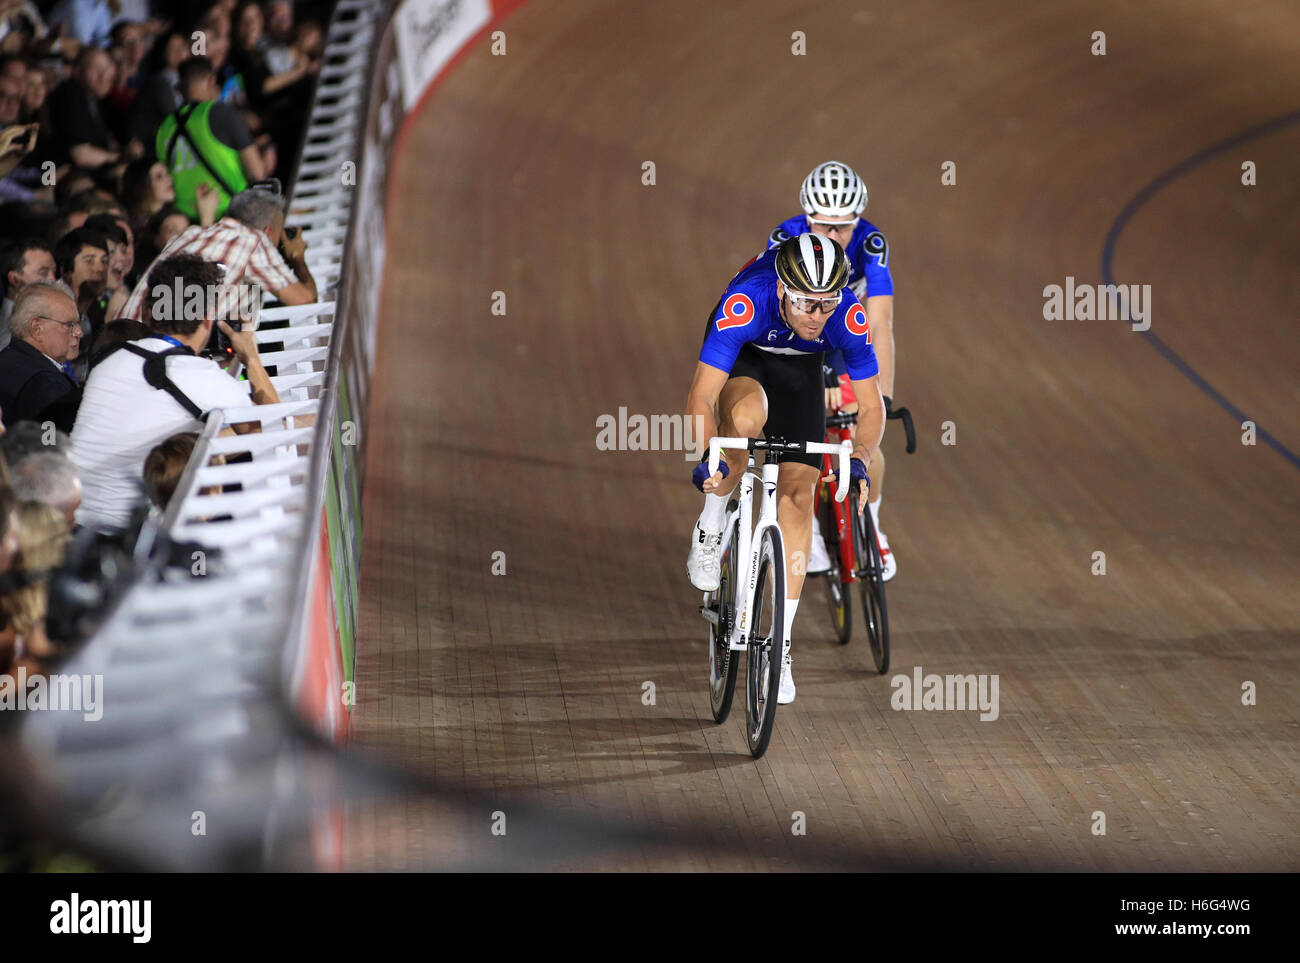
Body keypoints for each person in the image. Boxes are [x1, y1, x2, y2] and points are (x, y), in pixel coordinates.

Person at [685, 233, 885, 703]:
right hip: (749, 362)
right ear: (781, 290)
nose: (817, 316)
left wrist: (859, 459)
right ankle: (712, 524)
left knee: (798, 502)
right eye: (806, 305)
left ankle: (780, 645)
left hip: (802, 378)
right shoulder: (746, 302)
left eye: (826, 305)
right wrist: (709, 456)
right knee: (743, 427)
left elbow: (871, 409)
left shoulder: (845, 317)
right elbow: (701, 395)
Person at [69, 252, 281, 531]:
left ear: (148, 313)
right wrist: (251, 357)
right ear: (207, 321)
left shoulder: (112, 357)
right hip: (125, 536)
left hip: (73, 522)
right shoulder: (200, 376)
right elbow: (272, 430)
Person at [769, 161, 898, 580]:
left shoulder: (871, 243)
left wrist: (883, 396)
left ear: (857, 221)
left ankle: (871, 524)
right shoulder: (784, 240)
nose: (833, 237)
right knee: (799, 436)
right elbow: (781, 316)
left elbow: (880, 322)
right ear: (807, 219)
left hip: (847, 339)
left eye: (844, 227)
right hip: (798, 340)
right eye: (823, 225)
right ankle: (801, 523)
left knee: (869, 437)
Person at [118, 186, 315, 320]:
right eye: (280, 234)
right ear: (267, 231)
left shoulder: (191, 234)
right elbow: (305, 301)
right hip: (155, 358)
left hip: (123, 339)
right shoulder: (253, 241)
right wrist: (298, 259)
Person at [155, 55, 268, 222]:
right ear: (211, 80)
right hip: (231, 217)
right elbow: (257, 173)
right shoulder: (223, 113)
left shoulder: (164, 127)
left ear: (179, 87)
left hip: (185, 223)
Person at [0, 281, 82, 431]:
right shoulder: (46, 384)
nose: (79, 333)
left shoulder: (7, 359)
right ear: (37, 328)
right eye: (70, 325)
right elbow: (49, 446)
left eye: (78, 323)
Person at [0, 236, 55, 349]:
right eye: (43, 273)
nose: (53, 280)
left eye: (54, 272)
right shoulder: (7, 332)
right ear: (14, 279)